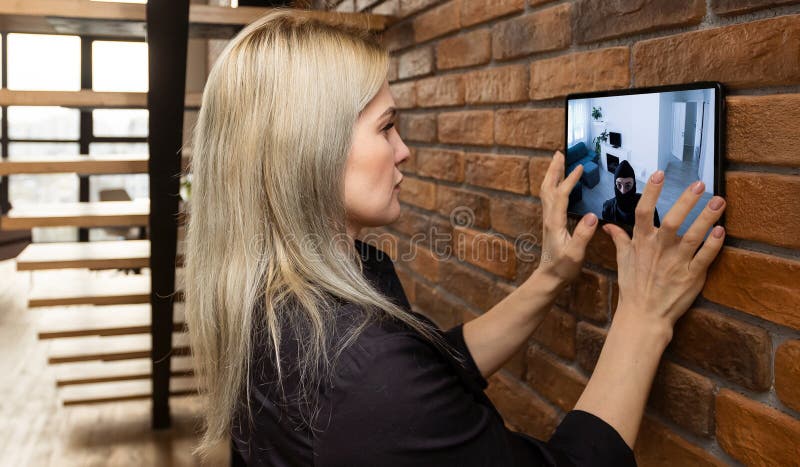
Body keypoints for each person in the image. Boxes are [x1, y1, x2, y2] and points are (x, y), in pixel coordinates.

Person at [183, 10, 728, 467]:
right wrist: (645, 314)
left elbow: (437, 368)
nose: (404, 151)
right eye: (385, 127)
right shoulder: (365, 371)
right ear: (310, 150)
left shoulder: (298, 295)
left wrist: (552, 276)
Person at [602, 160, 661, 228]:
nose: (623, 191)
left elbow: (656, 232)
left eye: (627, 185)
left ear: (634, 185)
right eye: (619, 185)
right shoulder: (607, 209)